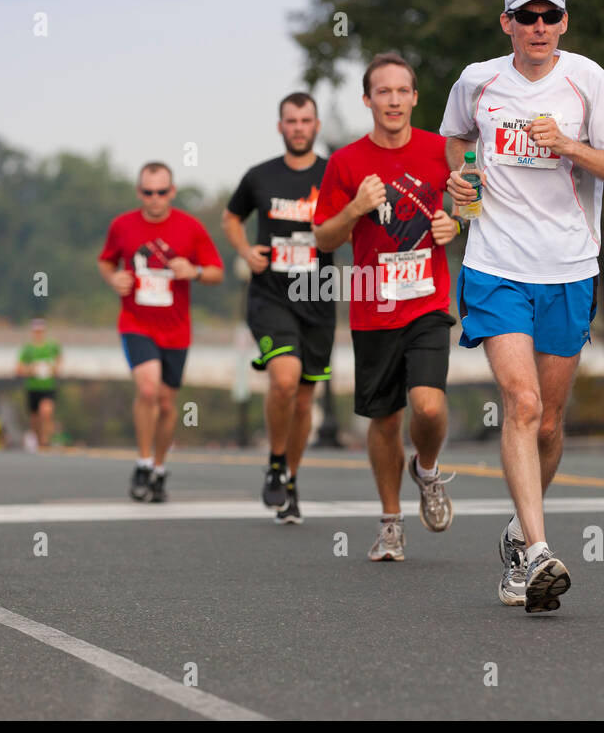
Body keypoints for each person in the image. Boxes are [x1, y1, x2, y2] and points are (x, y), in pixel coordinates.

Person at [441, 0, 604, 612]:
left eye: (548, 16)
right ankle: (536, 553)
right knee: (521, 403)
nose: (537, 26)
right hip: (495, 265)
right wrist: (463, 182)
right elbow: (457, 144)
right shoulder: (478, 81)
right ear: (506, 24)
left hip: (570, 268)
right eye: (525, 16)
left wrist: (570, 146)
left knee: (550, 423)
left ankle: (517, 534)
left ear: (562, 22)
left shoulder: (590, 82)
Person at [313, 52, 464, 562]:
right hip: (372, 308)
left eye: (402, 91)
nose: (394, 100)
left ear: (415, 97)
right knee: (384, 420)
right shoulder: (346, 162)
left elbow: (474, 198)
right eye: (383, 91)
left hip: (427, 302)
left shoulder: (441, 151)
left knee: (427, 403)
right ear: (368, 99)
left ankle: (426, 468)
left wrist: (457, 223)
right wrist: (356, 207)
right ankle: (391, 522)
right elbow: (323, 235)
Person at [222, 92, 334, 524]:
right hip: (271, 295)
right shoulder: (260, 177)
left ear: (316, 125)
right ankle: (273, 461)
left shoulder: (333, 174)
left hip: (319, 296)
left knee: (305, 402)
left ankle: (289, 478)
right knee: (284, 380)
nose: (299, 127)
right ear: (280, 127)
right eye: (291, 120)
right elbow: (232, 217)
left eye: (306, 120)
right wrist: (245, 249)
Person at [97, 162, 225, 502]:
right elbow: (106, 260)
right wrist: (114, 279)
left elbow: (217, 272)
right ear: (139, 192)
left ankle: (158, 467)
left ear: (172, 191)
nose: (155, 199)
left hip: (176, 330)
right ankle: (141, 463)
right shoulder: (122, 226)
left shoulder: (190, 228)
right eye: (148, 192)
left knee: (167, 405)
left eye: (162, 192)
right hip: (136, 323)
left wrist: (194, 271)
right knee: (148, 387)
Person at [17, 319, 61, 449]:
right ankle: (37, 440)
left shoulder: (52, 346)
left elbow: (59, 359)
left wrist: (55, 369)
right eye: (36, 331)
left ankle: (45, 440)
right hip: (33, 387)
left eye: (41, 331)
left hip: (48, 386)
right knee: (35, 418)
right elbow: (18, 368)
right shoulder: (28, 349)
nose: (38, 333)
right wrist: (31, 370)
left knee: (46, 412)